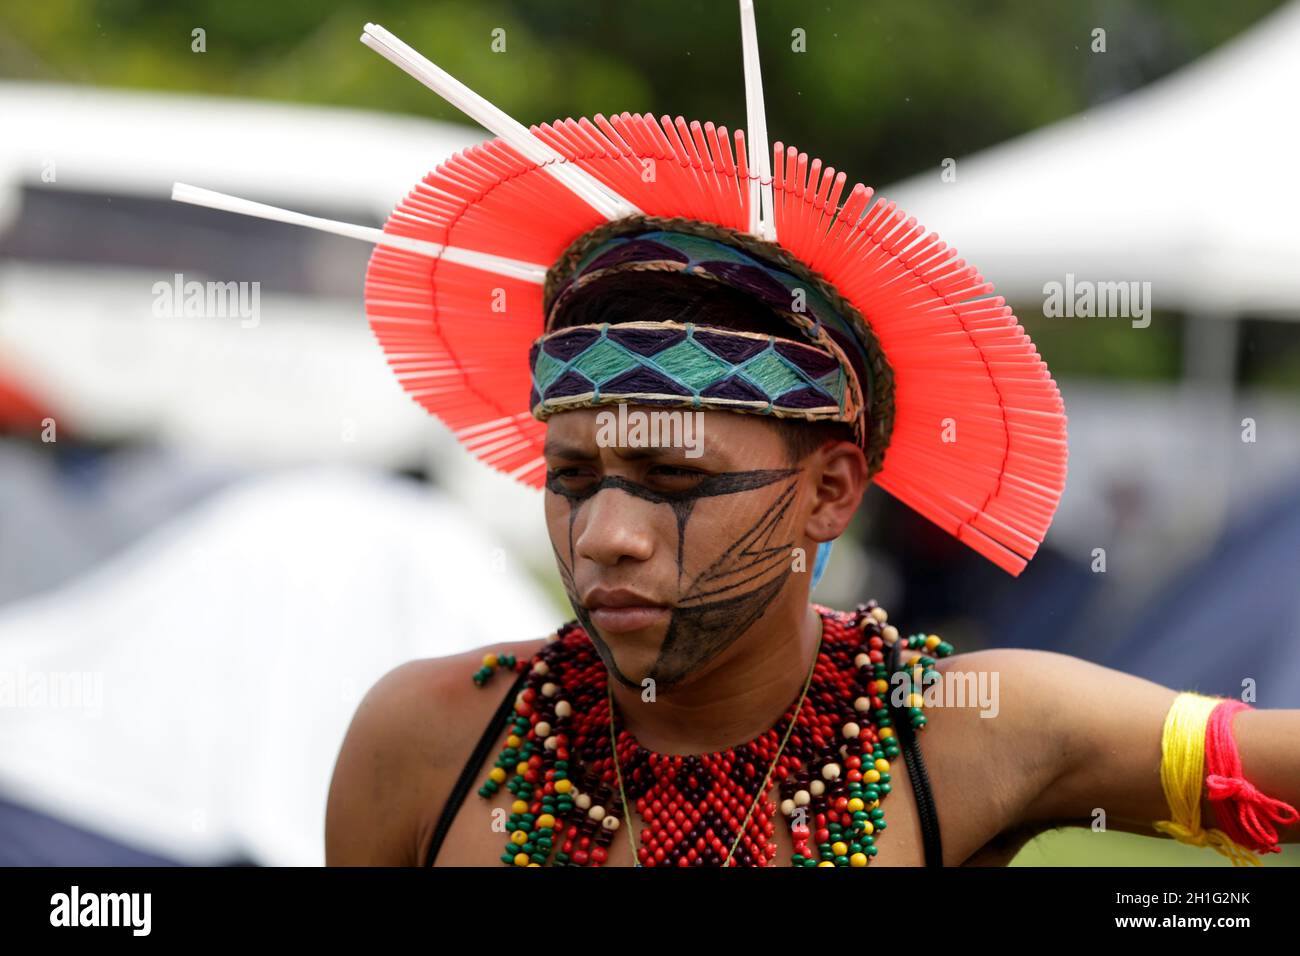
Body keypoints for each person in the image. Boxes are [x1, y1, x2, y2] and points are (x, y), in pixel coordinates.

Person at [167, 14, 1299, 867]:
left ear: (830, 488)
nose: (604, 535)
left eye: (673, 479)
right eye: (571, 477)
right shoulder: (424, 740)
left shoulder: (965, 732)